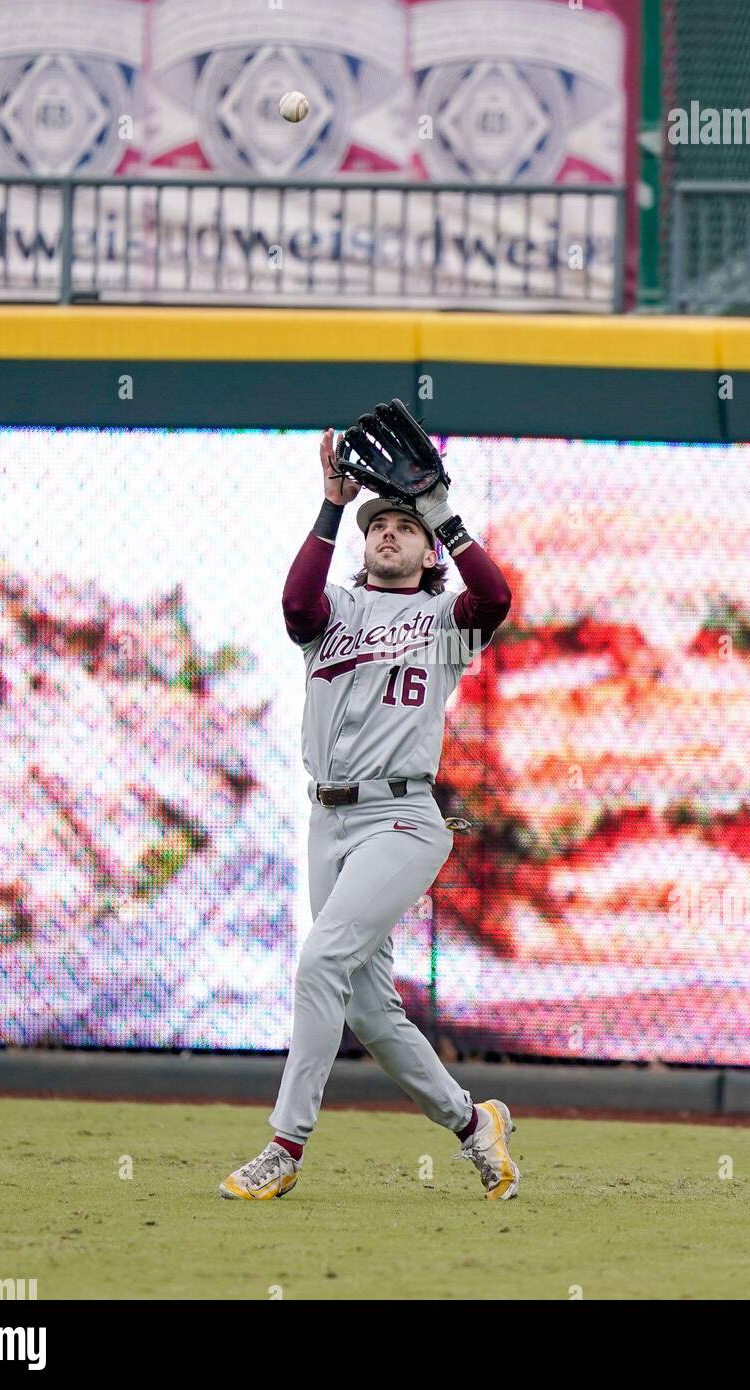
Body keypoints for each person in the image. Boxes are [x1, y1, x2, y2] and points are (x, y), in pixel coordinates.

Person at [219, 423, 519, 1201]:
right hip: (330, 819)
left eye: (403, 528)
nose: (388, 534)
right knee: (370, 1008)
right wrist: (329, 506)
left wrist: (445, 514)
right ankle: (471, 1125)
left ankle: (284, 1146)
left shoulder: (447, 620)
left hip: (403, 819)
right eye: (378, 526)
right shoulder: (336, 609)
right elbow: (294, 605)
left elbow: (496, 597)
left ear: (428, 552)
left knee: (320, 960)